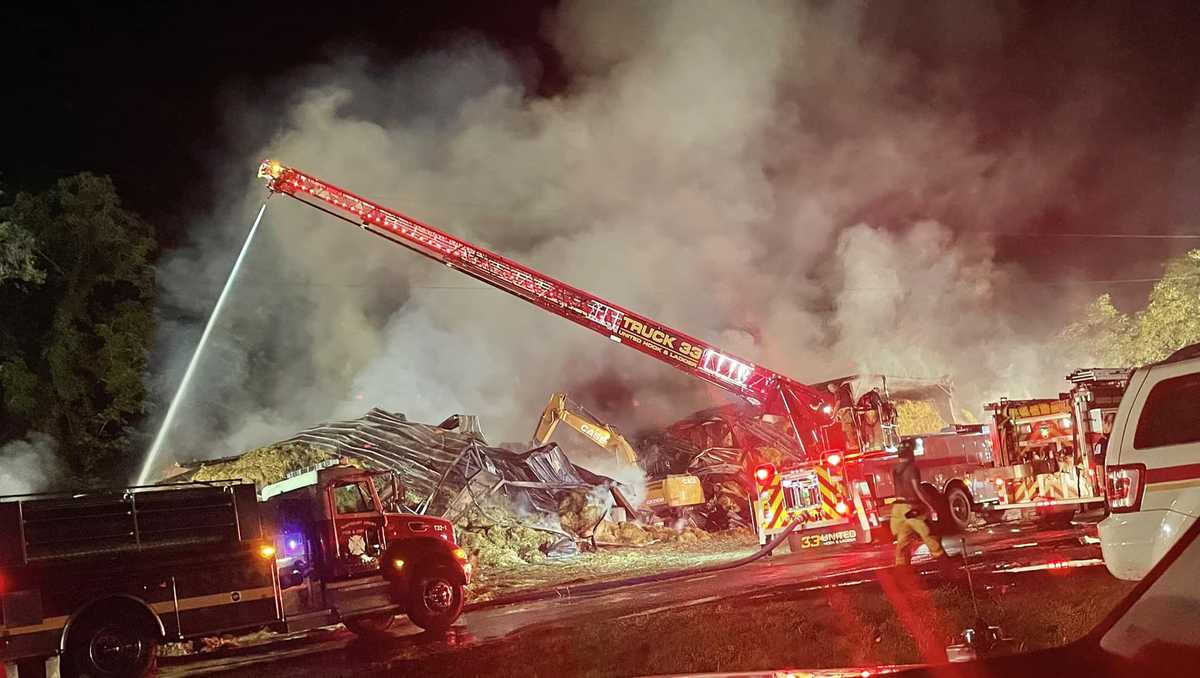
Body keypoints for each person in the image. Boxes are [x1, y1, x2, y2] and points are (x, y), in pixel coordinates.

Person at [890, 439, 949, 567]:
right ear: (910, 453)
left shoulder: (896, 469)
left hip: (898, 510)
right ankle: (946, 565)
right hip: (911, 508)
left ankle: (902, 571)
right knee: (929, 535)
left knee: (903, 541)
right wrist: (931, 505)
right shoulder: (912, 468)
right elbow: (917, 489)